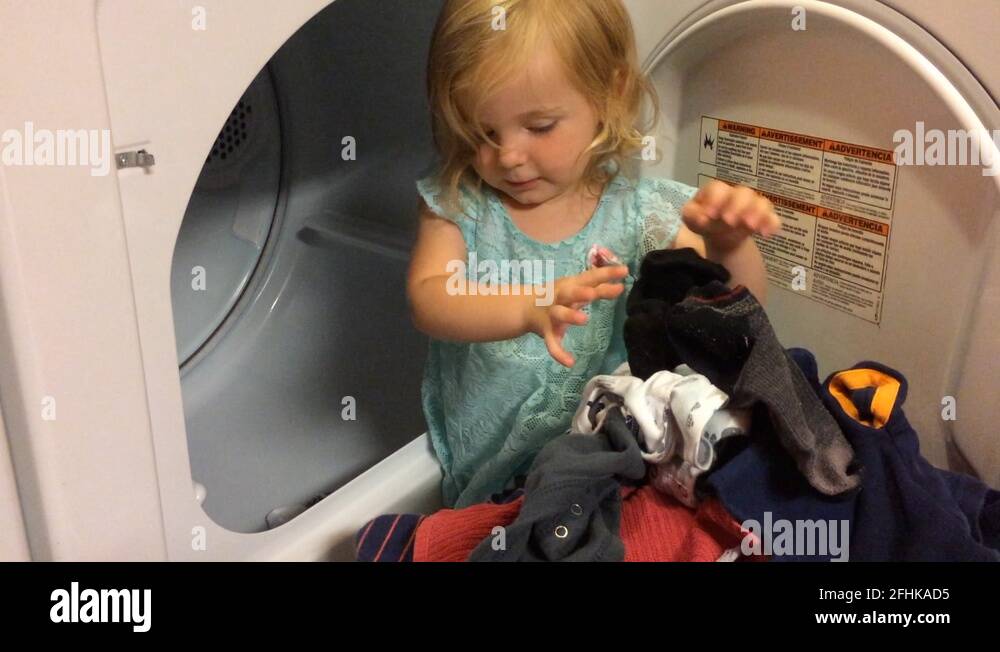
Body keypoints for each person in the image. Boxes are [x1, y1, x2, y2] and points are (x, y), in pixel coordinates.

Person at [408, 0, 781, 508]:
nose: (509, 156)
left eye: (539, 126)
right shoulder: (461, 202)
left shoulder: (638, 211)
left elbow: (733, 314)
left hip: (602, 451)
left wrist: (729, 245)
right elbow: (430, 298)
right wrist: (526, 308)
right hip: (490, 446)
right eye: (484, 133)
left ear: (611, 94)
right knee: (496, 526)